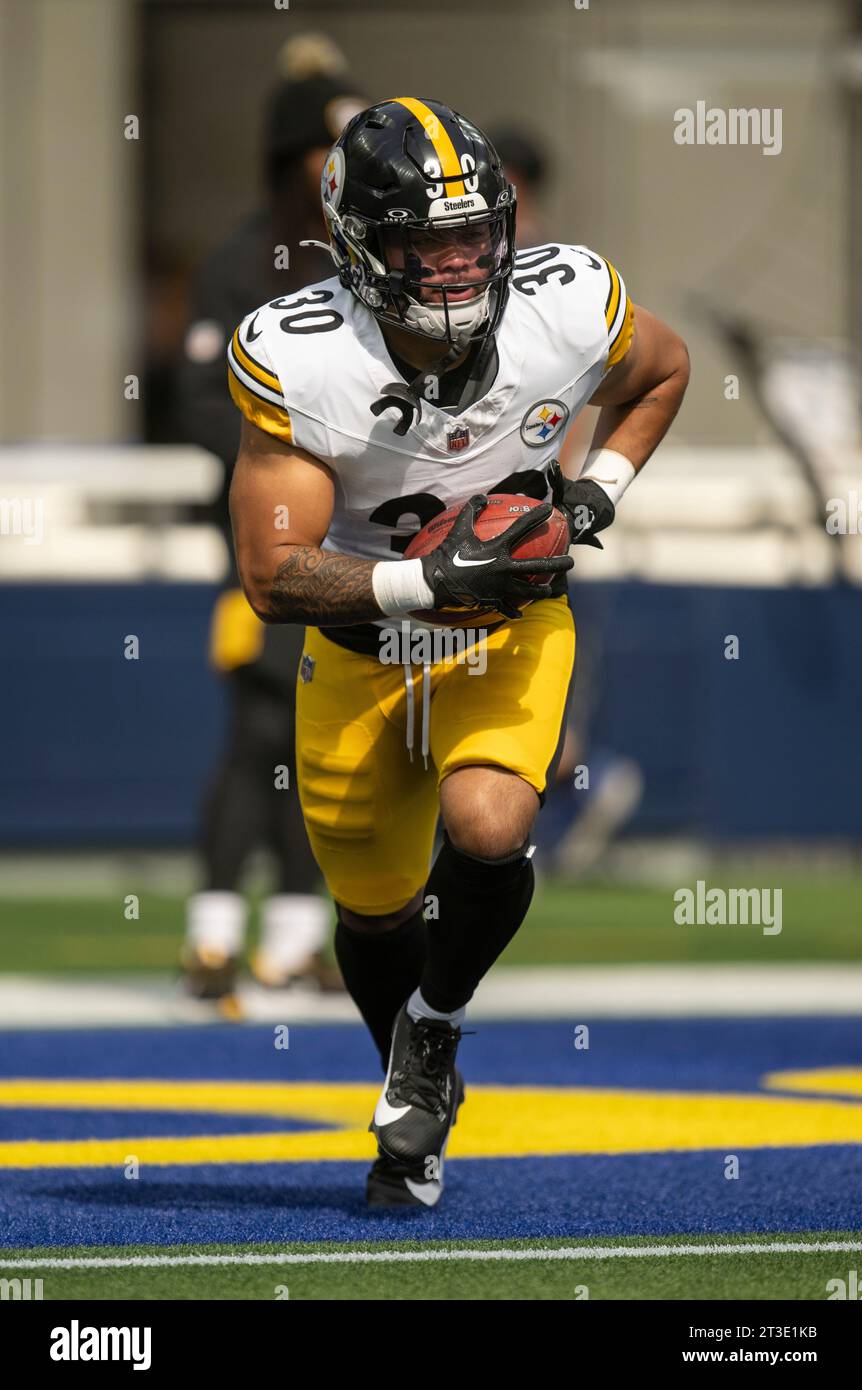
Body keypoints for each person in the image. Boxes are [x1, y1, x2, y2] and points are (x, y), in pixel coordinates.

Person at [226, 98, 690, 1204]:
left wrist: (591, 500)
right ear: (357, 247)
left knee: (492, 822)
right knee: (374, 909)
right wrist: (421, 582)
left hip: (505, 627)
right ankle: (413, 1107)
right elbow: (273, 571)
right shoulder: (303, 357)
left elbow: (663, 371)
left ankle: (434, 1026)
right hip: (358, 647)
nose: (454, 265)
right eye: (423, 245)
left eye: (473, 237)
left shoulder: (567, 303)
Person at [176, 37, 365, 1004]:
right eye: (321, 152)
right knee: (258, 732)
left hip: (358, 544)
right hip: (266, 539)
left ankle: (293, 943)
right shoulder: (242, 260)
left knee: (324, 731)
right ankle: (212, 935)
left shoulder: (359, 261)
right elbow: (201, 399)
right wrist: (290, 467)